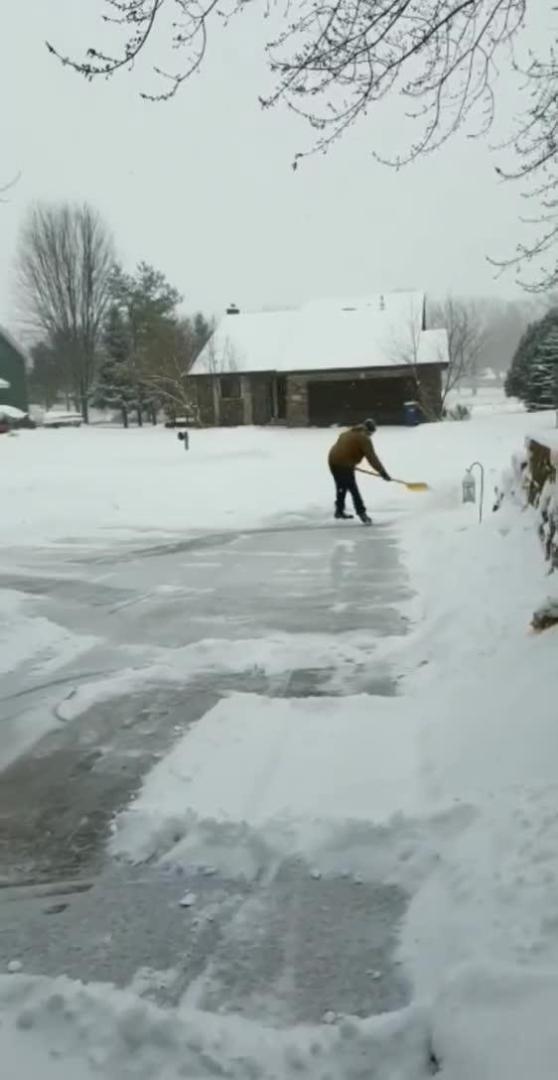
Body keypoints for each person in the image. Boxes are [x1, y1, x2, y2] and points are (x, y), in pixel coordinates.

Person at [328, 418, 391, 525]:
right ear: (370, 431)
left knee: (341, 486)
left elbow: (343, 447)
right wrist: (382, 472)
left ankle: (339, 511)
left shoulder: (349, 432)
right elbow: (372, 457)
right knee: (353, 488)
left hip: (333, 460)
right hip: (343, 463)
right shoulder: (364, 438)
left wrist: (349, 462)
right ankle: (362, 513)